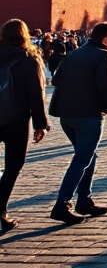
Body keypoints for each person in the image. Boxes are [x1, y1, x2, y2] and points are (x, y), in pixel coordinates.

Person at [47, 21, 107, 224]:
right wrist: (106, 106)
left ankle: (84, 200)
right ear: (106, 40)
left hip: (67, 116)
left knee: (89, 156)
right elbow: (106, 88)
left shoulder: (75, 53)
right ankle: (62, 204)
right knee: (82, 159)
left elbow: (56, 80)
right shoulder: (103, 56)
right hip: (88, 116)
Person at [0, 19, 51, 232]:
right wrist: (41, 124)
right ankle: (0, 209)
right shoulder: (29, 59)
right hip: (17, 120)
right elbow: (36, 95)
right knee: (13, 166)